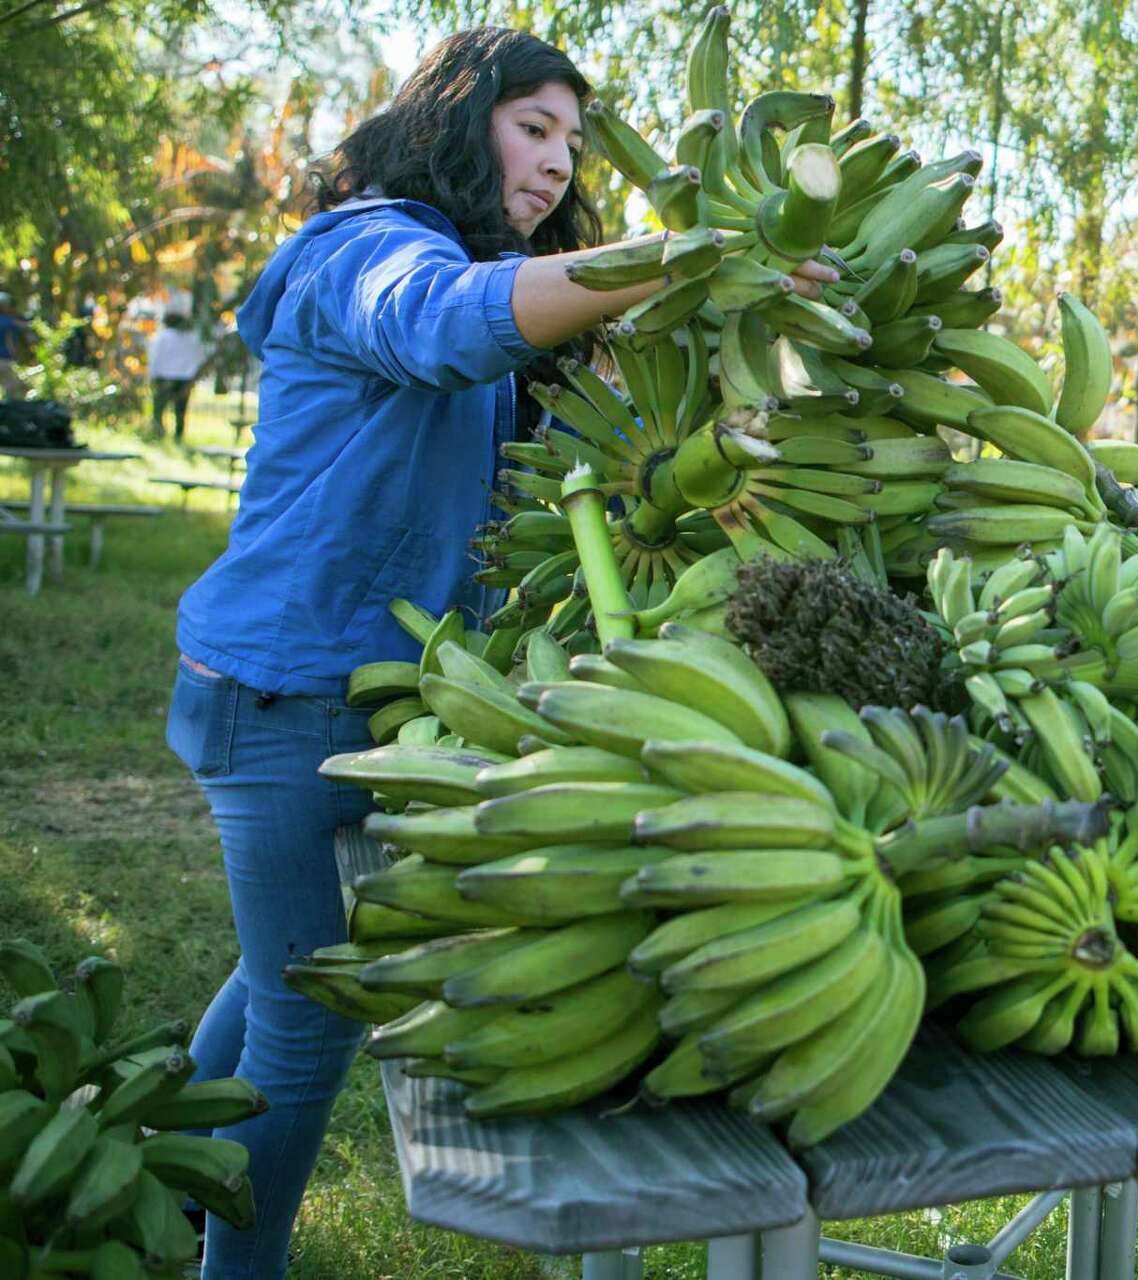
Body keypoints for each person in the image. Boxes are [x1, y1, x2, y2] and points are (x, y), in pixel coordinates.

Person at [164, 28, 834, 1280]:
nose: (554, 163)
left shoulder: (478, 266)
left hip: (347, 686)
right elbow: (442, 325)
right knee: (312, 1019)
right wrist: (690, 245)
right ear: (454, 116)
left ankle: (161, 1166)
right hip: (280, 691)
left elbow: (529, 368)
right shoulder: (370, 246)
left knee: (283, 967)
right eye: (534, 127)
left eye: (572, 142)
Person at [147, 311, 206, 439]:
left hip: (164, 377)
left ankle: (158, 433)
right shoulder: (192, 337)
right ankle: (178, 435)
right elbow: (199, 358)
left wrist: (152, 375)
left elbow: (155, 358)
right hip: (185, 378)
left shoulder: (162, 336)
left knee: (159, 408)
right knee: (180, 410)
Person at [0, 292, 28, 399]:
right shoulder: (9, 322)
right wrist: (14, 356)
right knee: (13, 391)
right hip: (5, 359)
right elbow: (10, 342)